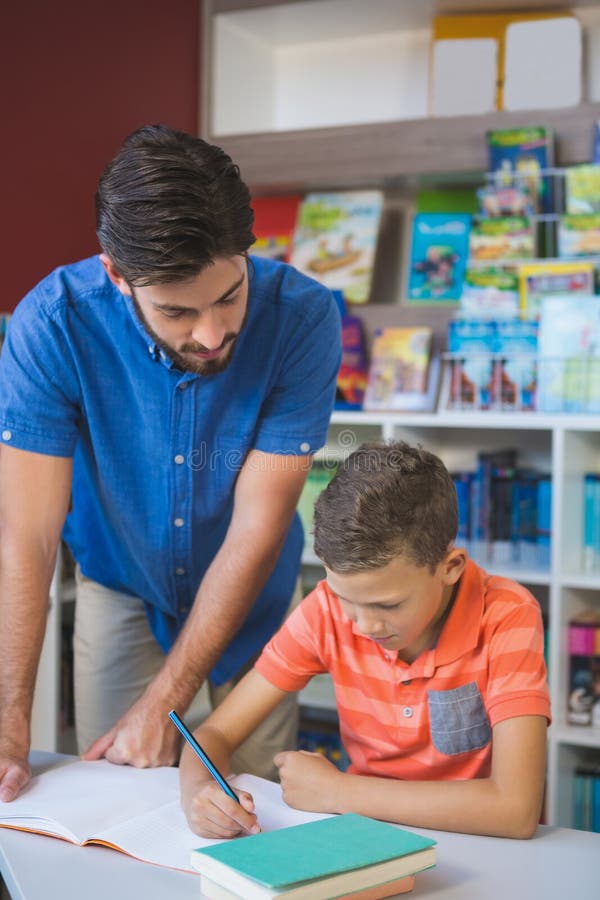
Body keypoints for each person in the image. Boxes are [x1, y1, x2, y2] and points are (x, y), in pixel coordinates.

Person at [0, 124, 341, 801]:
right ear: (117, 276)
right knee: (118, 801)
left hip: (255, 600)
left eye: (228, 296)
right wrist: (10, 714)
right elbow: (29, 536)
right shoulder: (52, 326)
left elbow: (257, 527)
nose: (212, 334)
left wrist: (167, 704)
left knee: (251, 816)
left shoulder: (302, 319)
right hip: (119, 587)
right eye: (178, 311)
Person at [179, 441, 551, 840]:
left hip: (478, 845)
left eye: (388, 604)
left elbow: (515, 809)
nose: (363, 626)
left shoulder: (506, 614)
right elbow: (214, 735)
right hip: (365, 839)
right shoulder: (326, 611)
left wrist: (340, 791)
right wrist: (199, 794)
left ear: (450, 567)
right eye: (345, 599)